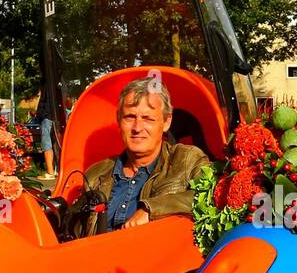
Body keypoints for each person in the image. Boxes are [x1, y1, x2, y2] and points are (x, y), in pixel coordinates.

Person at [78, 77, 209, 233]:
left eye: (148, 118)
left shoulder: (188, 160)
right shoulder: (95, 174)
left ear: (166, 122)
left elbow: (210, 197)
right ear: (118, 119)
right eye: (130, 117)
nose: (137, 127)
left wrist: (151, 210)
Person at [33, 90, 56, 180]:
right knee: (55, 143)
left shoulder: (46, 84)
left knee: (46, 143)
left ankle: (50, 172)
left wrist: (39, 115)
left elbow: (43, 101)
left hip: (47, 116)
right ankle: (56, 170)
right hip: (56, 116)